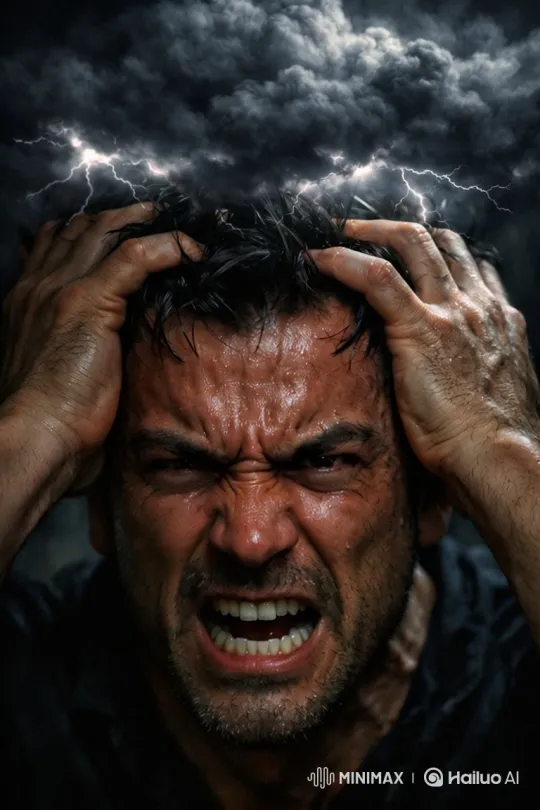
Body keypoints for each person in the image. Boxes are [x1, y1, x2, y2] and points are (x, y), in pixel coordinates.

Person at [0, 191, 539, 810]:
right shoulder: (24, 677)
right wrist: (34, 426)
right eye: (181, 465)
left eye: (322, 463)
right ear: (100, 504)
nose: (250, 540)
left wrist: (495, 444)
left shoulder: (517, 673)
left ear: (433, 499)